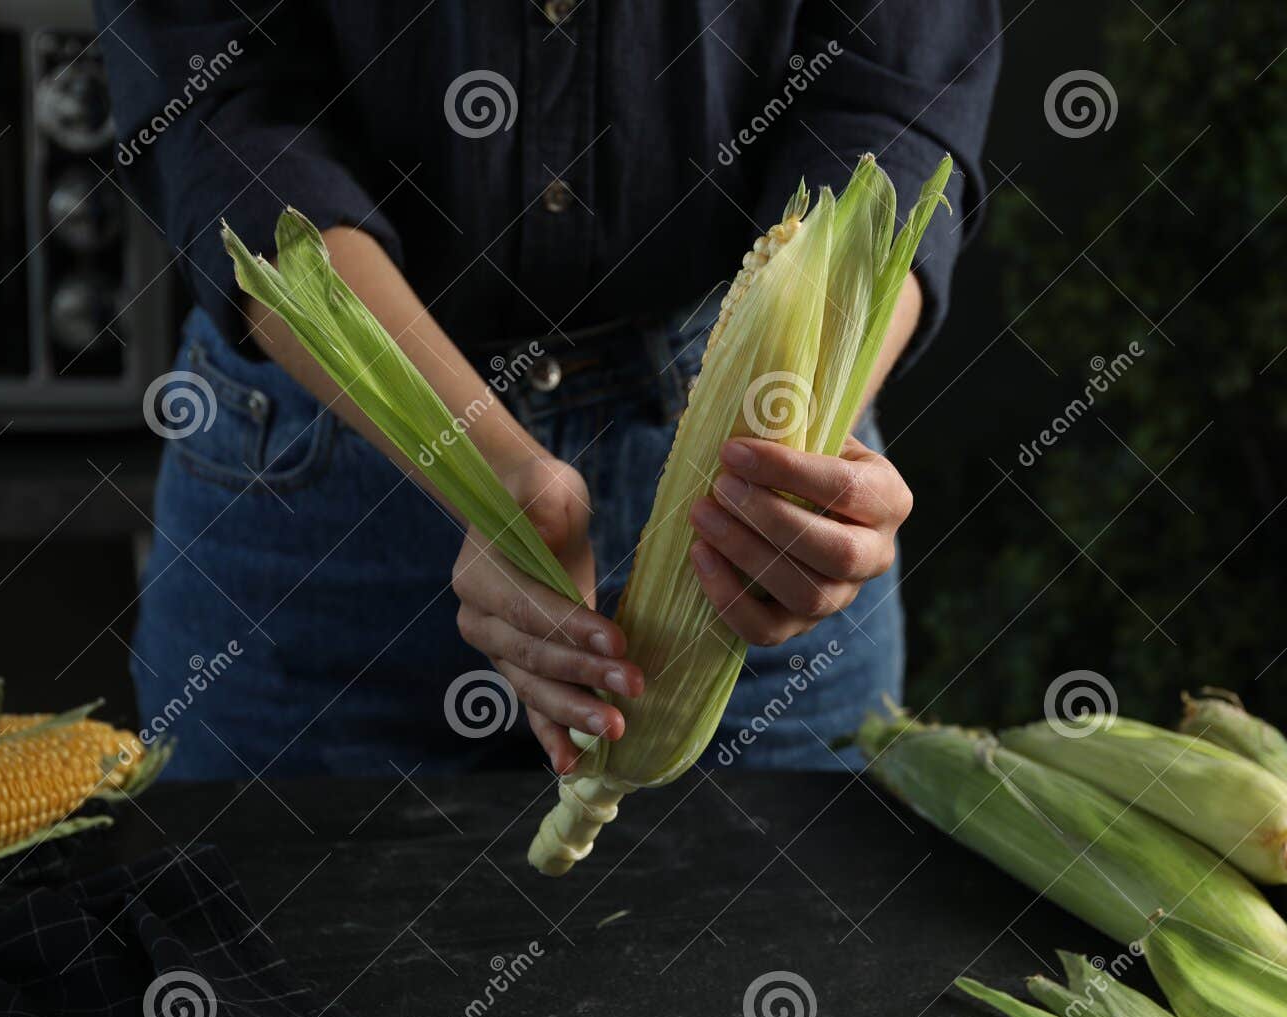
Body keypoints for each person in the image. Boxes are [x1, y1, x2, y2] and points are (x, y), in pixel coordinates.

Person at [98, 1, 1000, 780]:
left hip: (747, 537)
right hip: (316, 505)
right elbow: (220, 105)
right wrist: (480, 464)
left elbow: (900, 99)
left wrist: (800, 455)